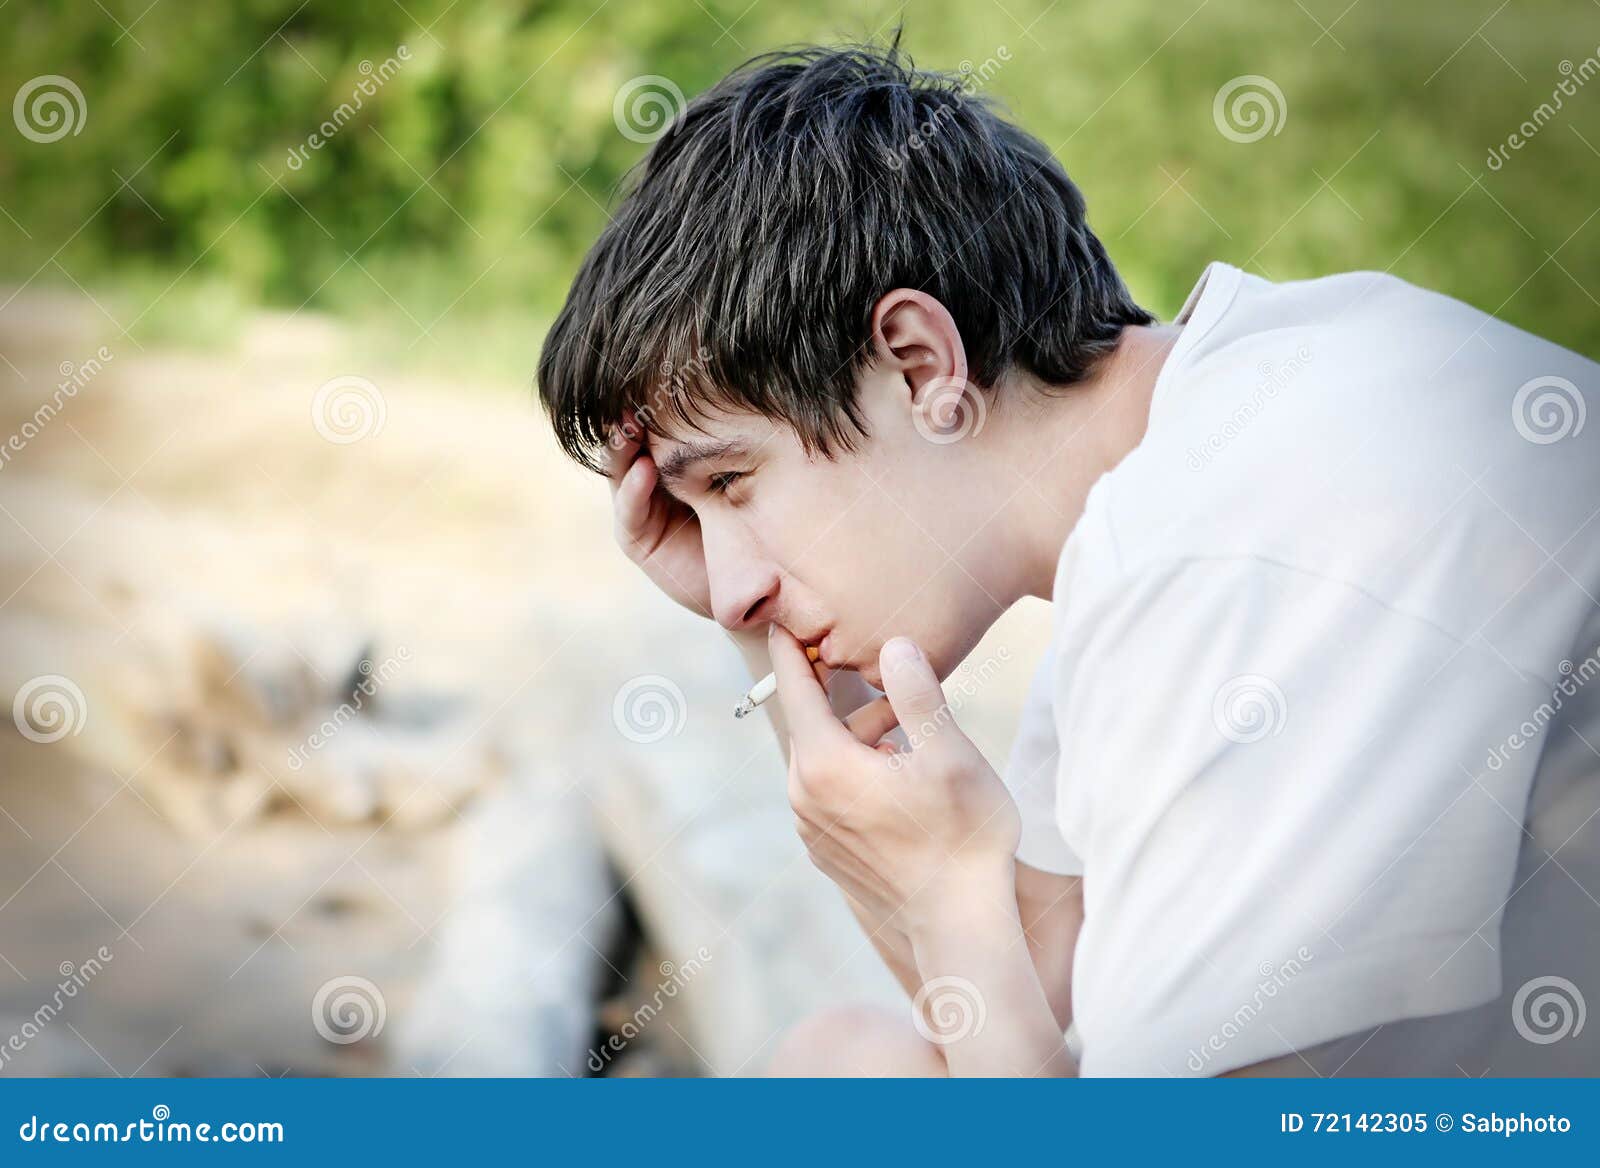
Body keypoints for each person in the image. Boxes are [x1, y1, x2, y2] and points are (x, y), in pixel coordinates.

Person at [536, 41, 1600, 1076]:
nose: (731, 583)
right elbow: (1024, 992)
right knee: (847, 1065)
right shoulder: (1186, 461)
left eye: (730, 483)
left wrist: (951, 892)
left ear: (920, 365)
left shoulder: (1221, 547)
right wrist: (777, 666)